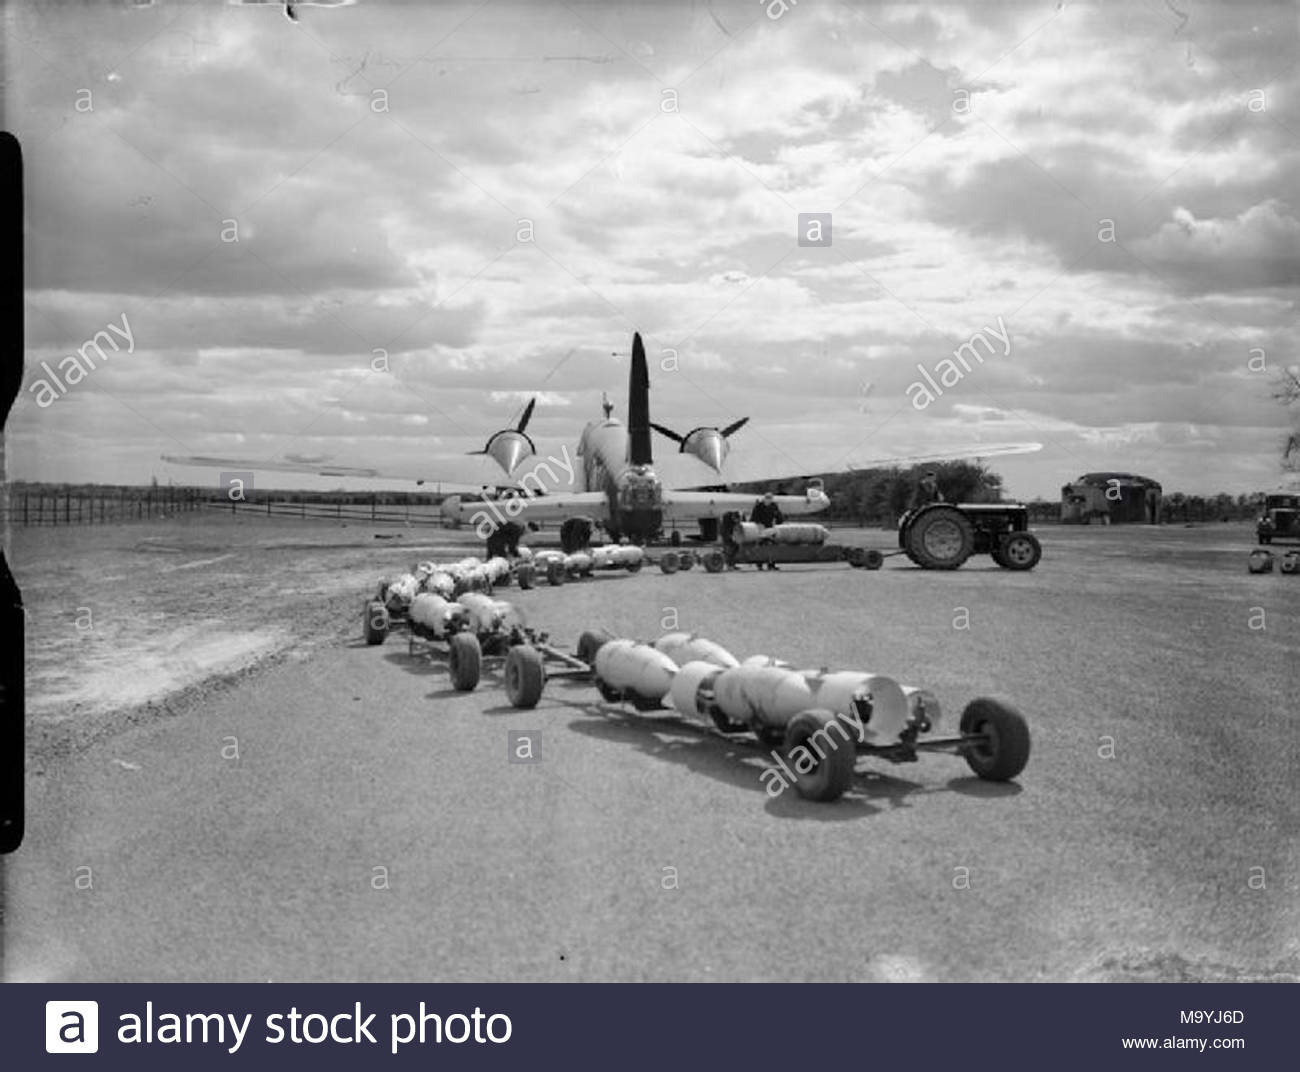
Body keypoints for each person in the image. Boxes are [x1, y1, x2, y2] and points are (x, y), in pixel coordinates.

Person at [748, 493, 785, 570]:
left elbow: (779, 517)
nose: (768, 500)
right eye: (767, 498)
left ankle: (771, 564)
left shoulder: (774, 506)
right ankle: (759, 563)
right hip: (760, 528)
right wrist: (758, 525)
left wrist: (779, 524)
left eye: (770, 498)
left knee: (772, 546)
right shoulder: (758, 506)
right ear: (764, 498)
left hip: (770, 528)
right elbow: (753, 518)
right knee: (760, 545)